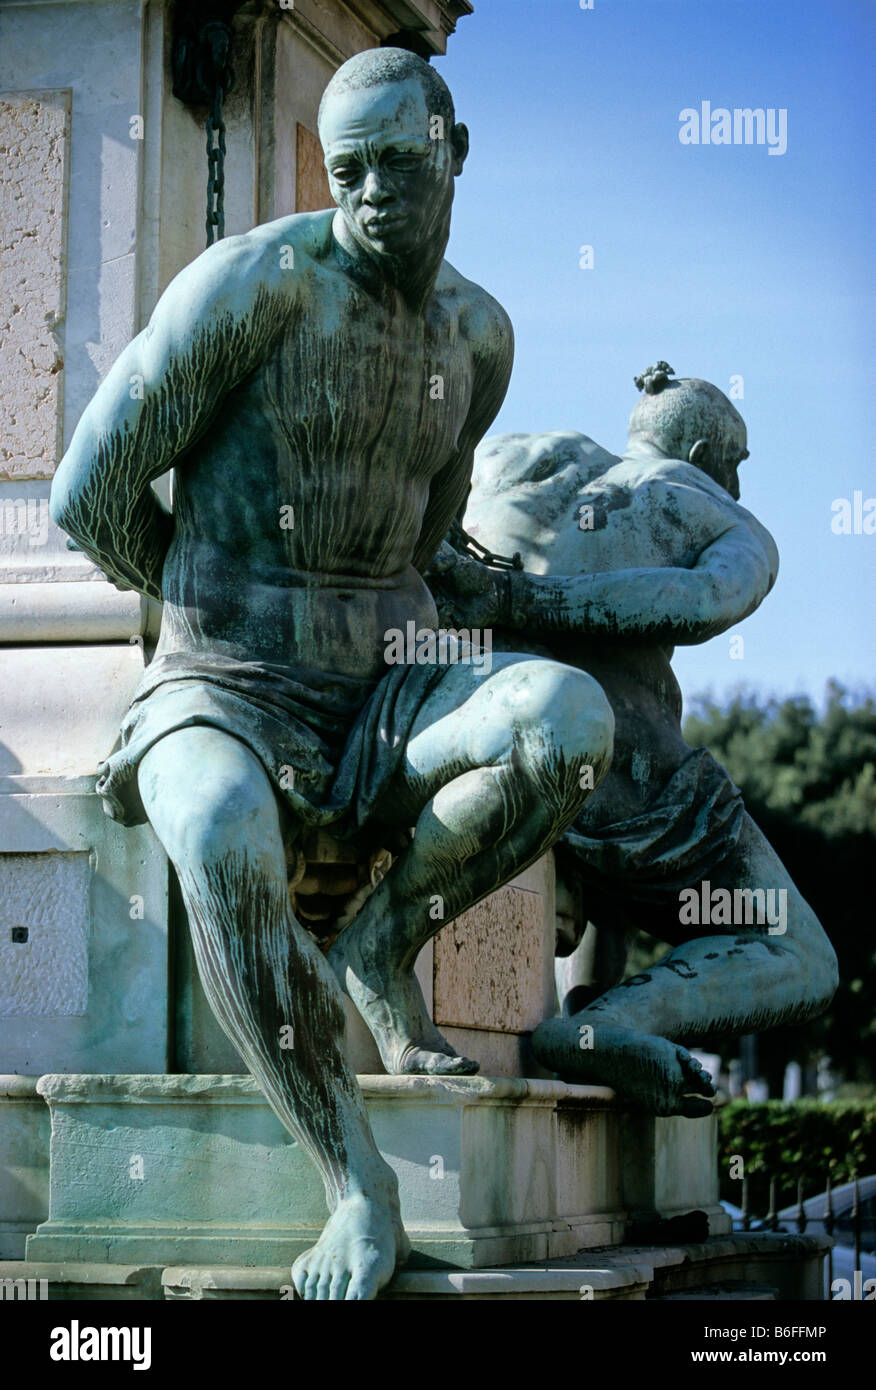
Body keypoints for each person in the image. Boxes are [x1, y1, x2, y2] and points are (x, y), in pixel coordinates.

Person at [49, 49, 614, 1301]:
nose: (368, 195)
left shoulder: (479, 335)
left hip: (389, 681)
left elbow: (431, 523)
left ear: (453, 155)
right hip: (222, 679)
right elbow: (87, 491)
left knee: (567, 720)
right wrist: (203, 612)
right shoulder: (254, 286)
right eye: (345, 169)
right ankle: (354, 1183)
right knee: (215, 819)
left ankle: (377, 936)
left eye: (397, 167)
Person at [430, 363, 838, 1118]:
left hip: (472, 714)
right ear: (702, 446)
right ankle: (604, 1024)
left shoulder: (514, 451)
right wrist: (528, 601)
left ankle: (590, 1010)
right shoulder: (715, 509)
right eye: (736, 463)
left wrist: (499, 600)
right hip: (627, 785)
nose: (738, 486)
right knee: (803, 954)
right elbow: (705, 600)